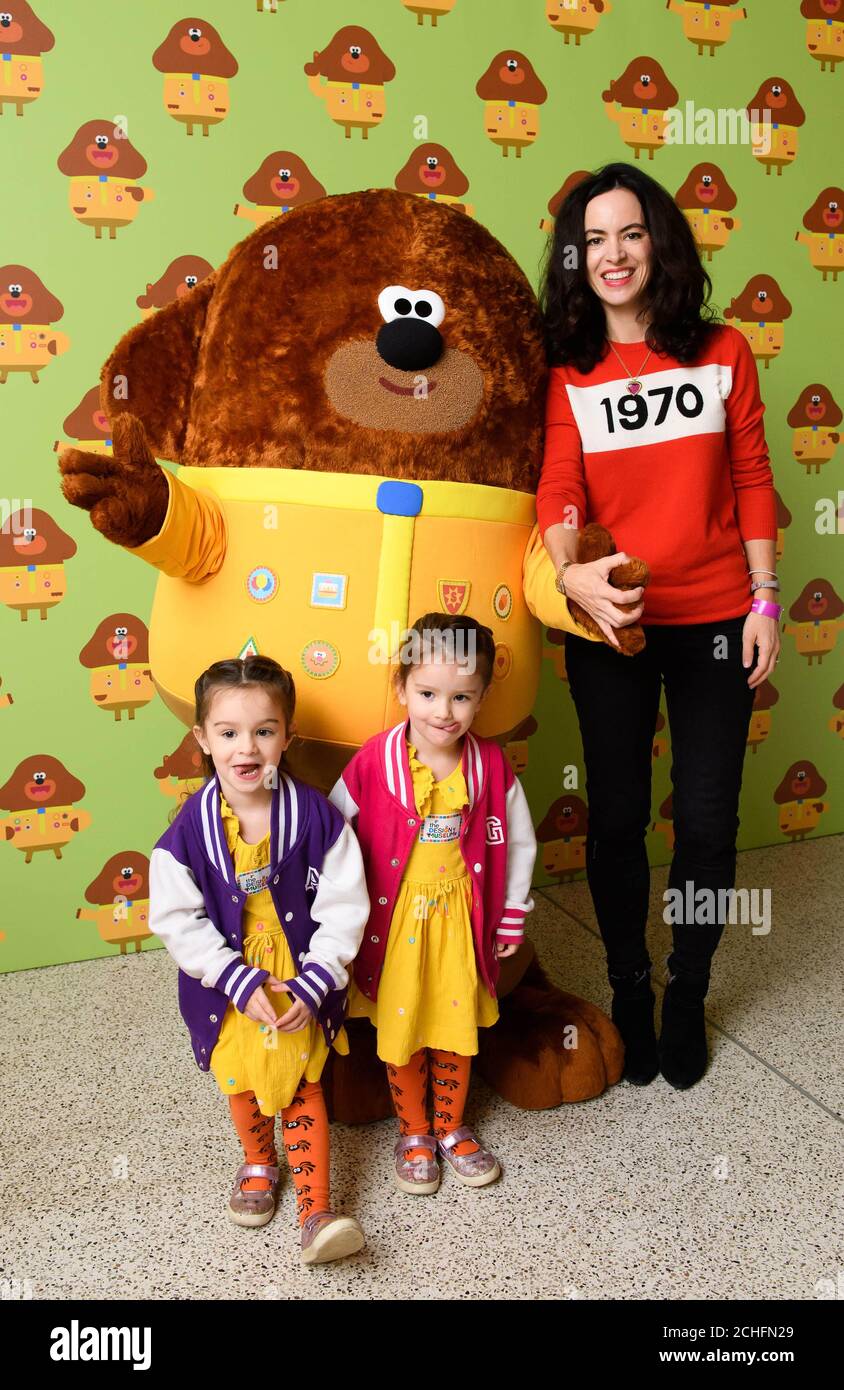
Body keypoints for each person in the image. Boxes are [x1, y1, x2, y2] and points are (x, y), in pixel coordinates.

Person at [537, 161, 781, 1091]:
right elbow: (558, 488)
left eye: (629, 233)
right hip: (615, 623)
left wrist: (763, 602)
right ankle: (629, 990)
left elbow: (754, 478)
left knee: (709, 823)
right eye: (593, 239)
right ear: (574, 257)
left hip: (719, 615)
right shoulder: (567, 370)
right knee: (619, 818)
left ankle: (688, 990)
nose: (612, 253)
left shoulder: (722, 353)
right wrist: (574, 578)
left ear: (659, 241)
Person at [148, 655, 370, 1264]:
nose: (247, 748)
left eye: (264, 731)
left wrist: (316, 982)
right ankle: (257, 1161)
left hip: (296, 976)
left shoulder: (318, 819)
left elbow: (346, 906)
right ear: (202, 738)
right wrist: (235, 980)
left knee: (300, 1082)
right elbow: (176, 919)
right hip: (226, 981)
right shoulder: (188, 833)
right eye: (228, 732)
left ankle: (316, 1208)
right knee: (241, 1076)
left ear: (287, 736)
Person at [330, 614, 537, 1193]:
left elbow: (518, 841)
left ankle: (450, 1124)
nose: (444, 711)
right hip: (394, 926)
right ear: (401, 688)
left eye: (461, 697)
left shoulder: (491, 767)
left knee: (453, 1024)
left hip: (461, 923)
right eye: (427, 693)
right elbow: (332, 838)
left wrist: (512, 911)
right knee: (401, 1025)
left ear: (482, 697)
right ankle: (414, 1128)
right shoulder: (374, 764)